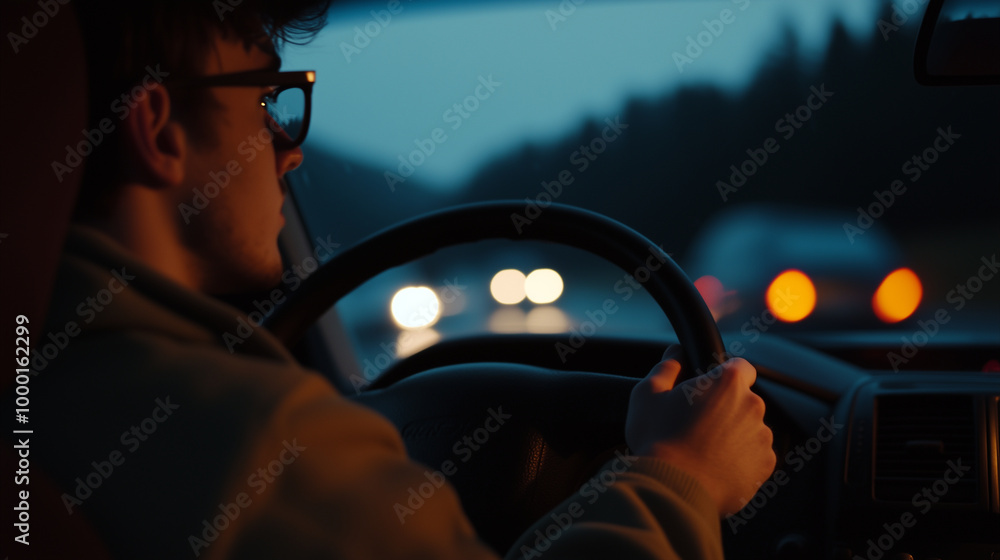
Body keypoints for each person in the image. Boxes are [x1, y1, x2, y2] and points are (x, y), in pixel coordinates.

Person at [32, 1, 776, 558]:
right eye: (264, 103)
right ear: (159, 130)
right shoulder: (260, 441)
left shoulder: (45, 375)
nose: (288, 152)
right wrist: (681, 478)